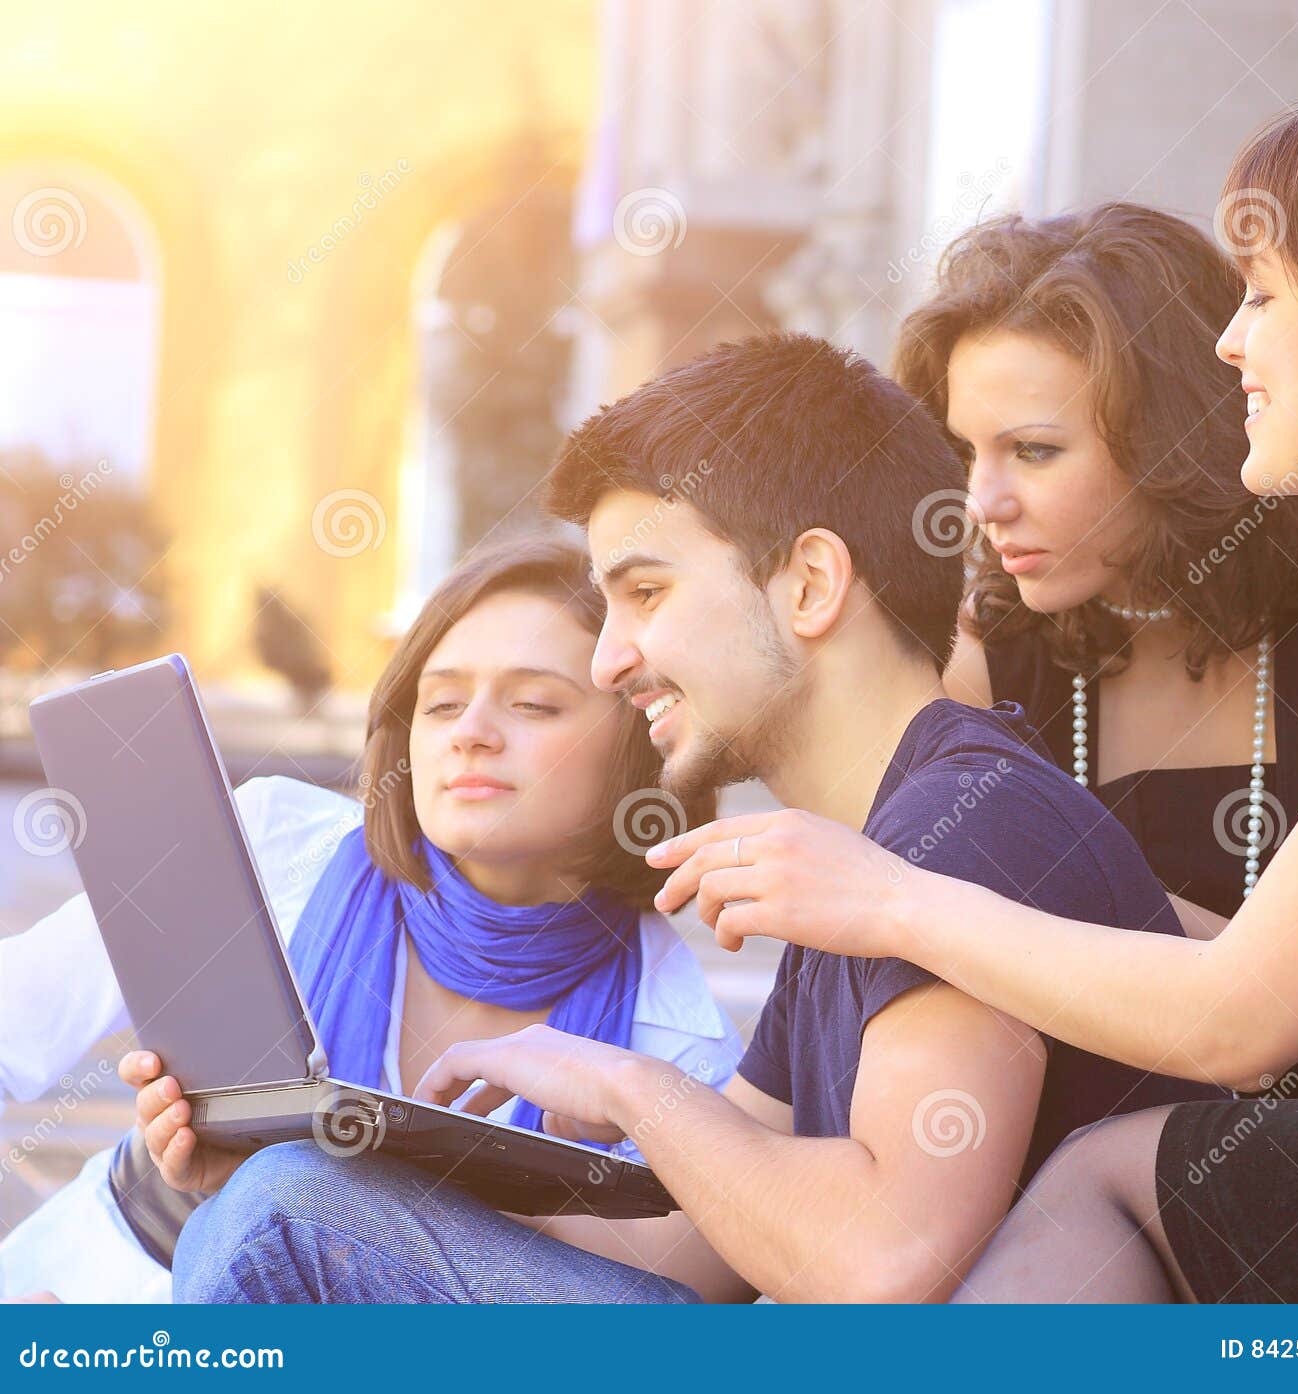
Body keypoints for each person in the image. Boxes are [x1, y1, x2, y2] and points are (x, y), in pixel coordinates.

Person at [646, 72, 1298, 1301]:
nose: (1231, 338)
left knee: (1109, 1179)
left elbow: (1241, 1019)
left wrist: (891, 897)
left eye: (1264, 296)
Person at [167, 332, 1215, 1305]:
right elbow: (692, 1250)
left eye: (646, 591)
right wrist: (384, 1156)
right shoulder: (863, 851)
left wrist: (628, 1084)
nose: (606, 657)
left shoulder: (961, 827)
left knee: (280, 1216)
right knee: (291, 1189)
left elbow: (886, 1251)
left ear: (809, 583)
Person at [0, 532, 742, 1303]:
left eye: (533, 704)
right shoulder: (267, 845)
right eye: (442, 701)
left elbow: (614, 1306)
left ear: (642, 741)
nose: (471, 732)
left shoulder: (676, 1038)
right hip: (92, 1287)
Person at [899, 202, 1298, 1091]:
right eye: (967, 453)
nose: (982, 501)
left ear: (1177, 440)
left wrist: (1092, 896)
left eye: (1034, 451)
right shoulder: (979, 661)